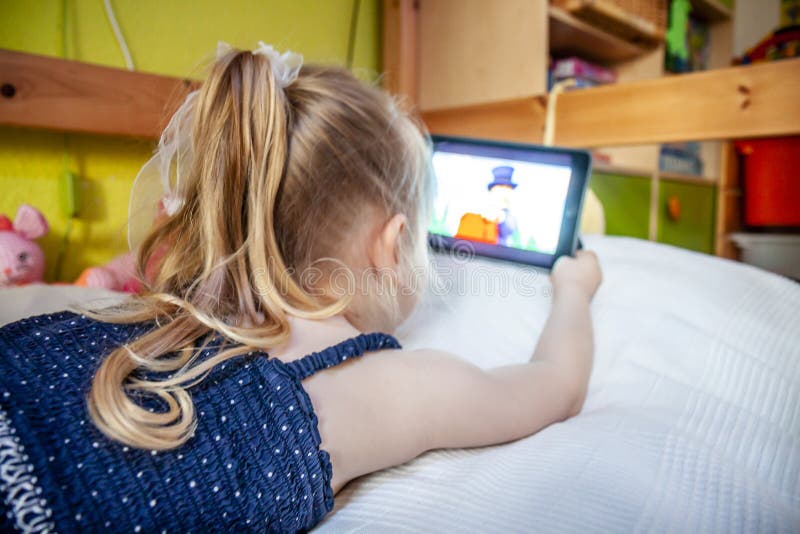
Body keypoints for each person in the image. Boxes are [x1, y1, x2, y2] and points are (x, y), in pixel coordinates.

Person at [0, 43, 601, 532]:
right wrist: (574, 288)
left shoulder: (170, 302)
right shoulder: (384, 385)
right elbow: (556, 386)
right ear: (391, 247)